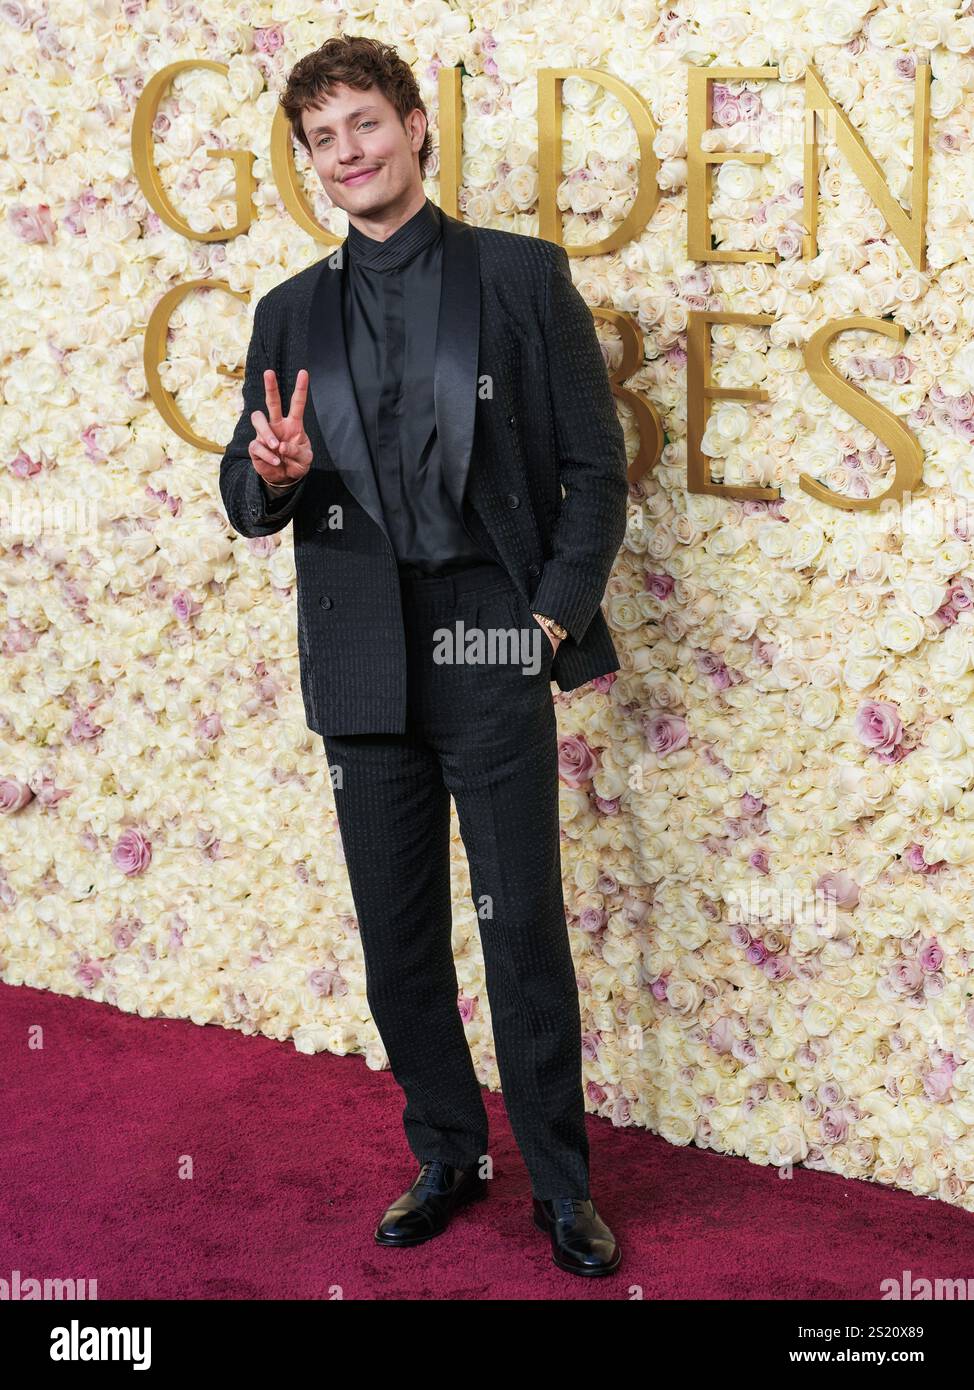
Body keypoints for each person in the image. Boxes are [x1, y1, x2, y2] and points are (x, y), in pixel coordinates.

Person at [219, 34, 629, 1277]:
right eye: (322, 139)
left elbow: (593, 474)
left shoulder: (517, 277)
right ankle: (447, 1149)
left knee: (520, 931)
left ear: (413, 128)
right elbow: (248, 492)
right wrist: (272, 475)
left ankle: (560, 1184)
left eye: (365, 125)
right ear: (309, 163)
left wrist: (547, 621)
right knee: (395, 932)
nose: (348, 153)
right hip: (357, 654)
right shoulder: (287, 310)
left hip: (486, 639)